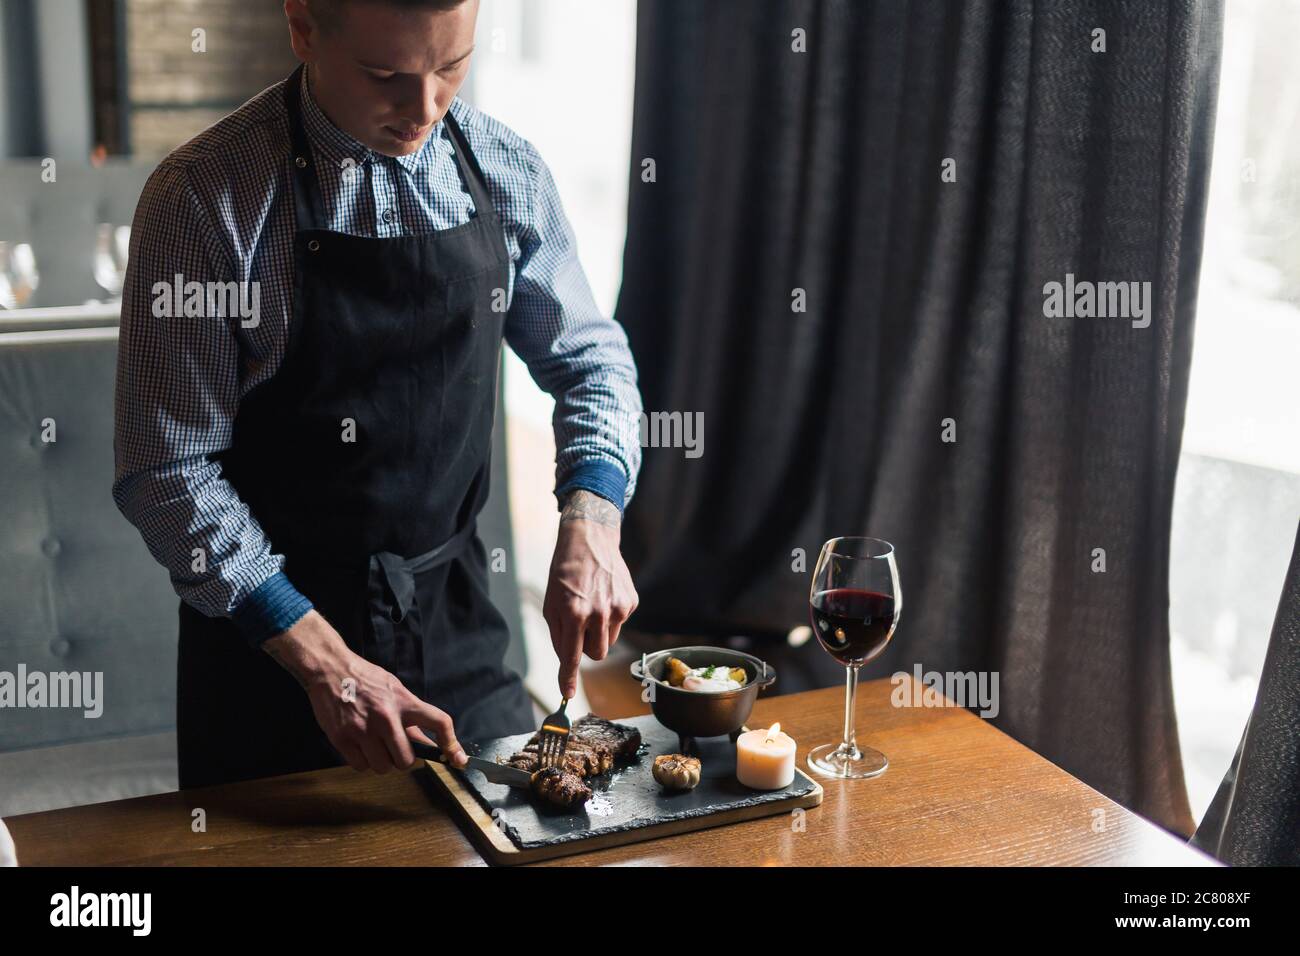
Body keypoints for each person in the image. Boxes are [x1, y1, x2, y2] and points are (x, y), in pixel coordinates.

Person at [113, 0, 642, 788]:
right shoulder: (203, 199)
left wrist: (594, 515)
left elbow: (590, 360)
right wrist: (326, 663)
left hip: (459, 630)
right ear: (303, 27)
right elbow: (166, 469)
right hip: (276, 655)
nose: (425, 108)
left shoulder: (507, 170)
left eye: (451, 67)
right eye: (386, 75)